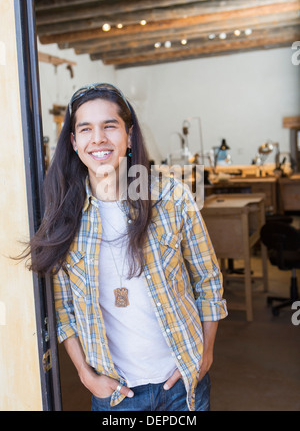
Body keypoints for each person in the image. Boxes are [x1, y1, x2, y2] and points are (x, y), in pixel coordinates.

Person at [24, 83, 227, 412]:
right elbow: (64, 311)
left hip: (182, 382)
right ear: (74, 142)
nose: (98, 138)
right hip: (115, 393)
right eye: (86, 129)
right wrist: (86, 374)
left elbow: (208, 279)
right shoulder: (63, 214)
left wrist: (204, 355)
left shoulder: (170, 196)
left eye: (109, 126)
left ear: (129, 136)